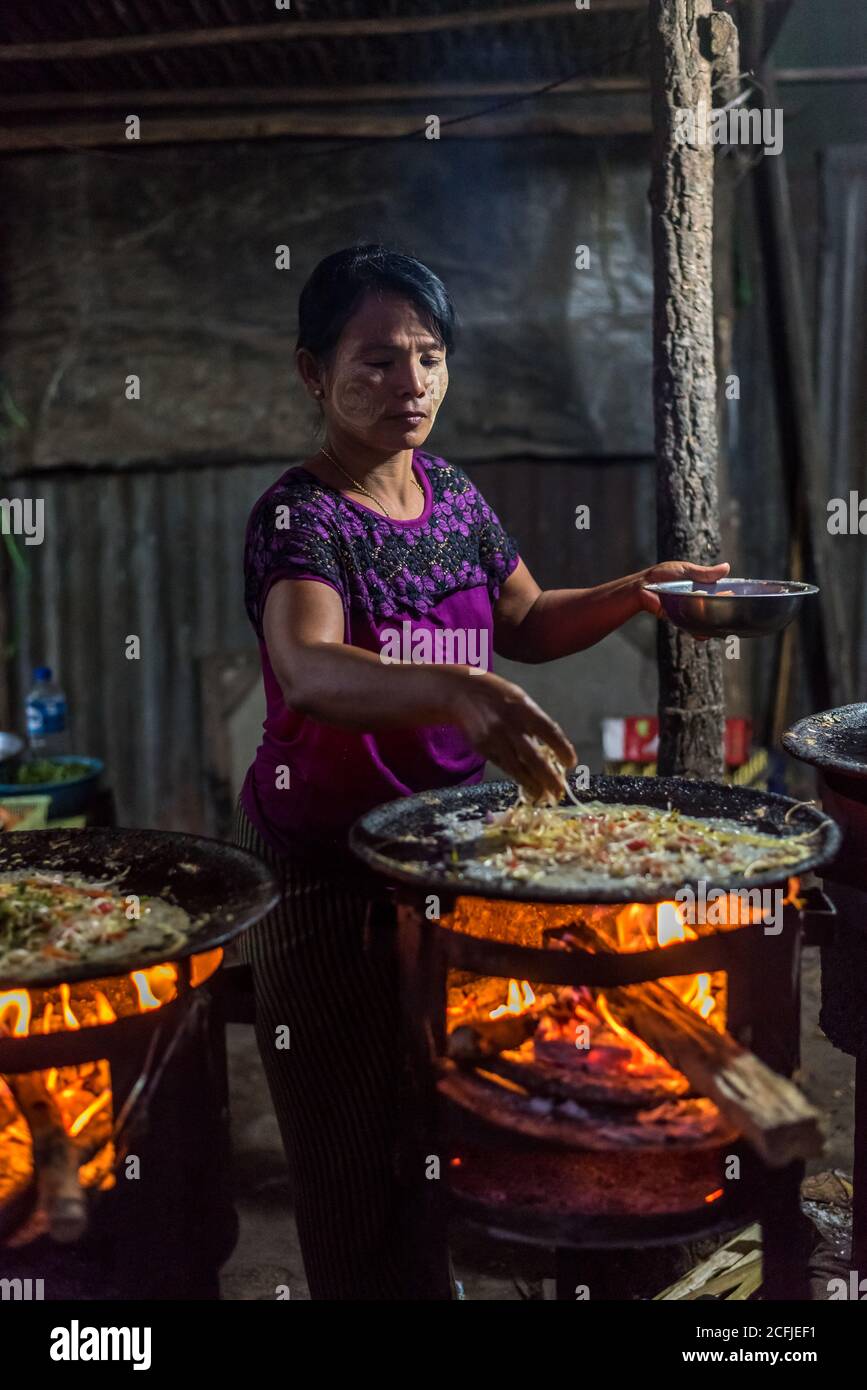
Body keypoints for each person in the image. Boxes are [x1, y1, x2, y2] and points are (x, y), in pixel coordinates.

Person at [233, 244, 729, 1299]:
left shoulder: (453, 497)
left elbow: (528, 621)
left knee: (455, 1133)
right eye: (375, 361)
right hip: (331, 880)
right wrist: (463, 692)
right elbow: (309, 668)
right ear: (312, 373)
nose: (409, 385)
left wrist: (638, 590)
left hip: (458, 873)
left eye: (427, 356)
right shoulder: (300, 517)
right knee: (354, 1160)